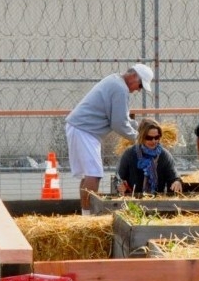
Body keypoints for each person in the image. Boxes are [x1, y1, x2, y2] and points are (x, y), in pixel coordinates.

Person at [65, 64, 153, 215]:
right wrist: (139, 139)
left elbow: (122, 118)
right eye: (140, 86)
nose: (138, 90)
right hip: (85, 130)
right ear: (133, 77)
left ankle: (86, 214)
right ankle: (88, 216)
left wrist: (140, 129)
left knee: (90, 174)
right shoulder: (120, 89)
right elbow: (118, 123)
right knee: (94, 174)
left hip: (83, 129)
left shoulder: (115, 81)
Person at [116, 118, 183, 196]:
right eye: (149, 138)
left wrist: (177, 182)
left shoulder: (164, 155)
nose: (154, 141)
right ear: (141, 137)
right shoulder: (129, 154)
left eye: (157, 137)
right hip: (133, 200)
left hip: (158, 200)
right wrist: (120, 186)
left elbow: (174, 176)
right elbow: (118, 178)